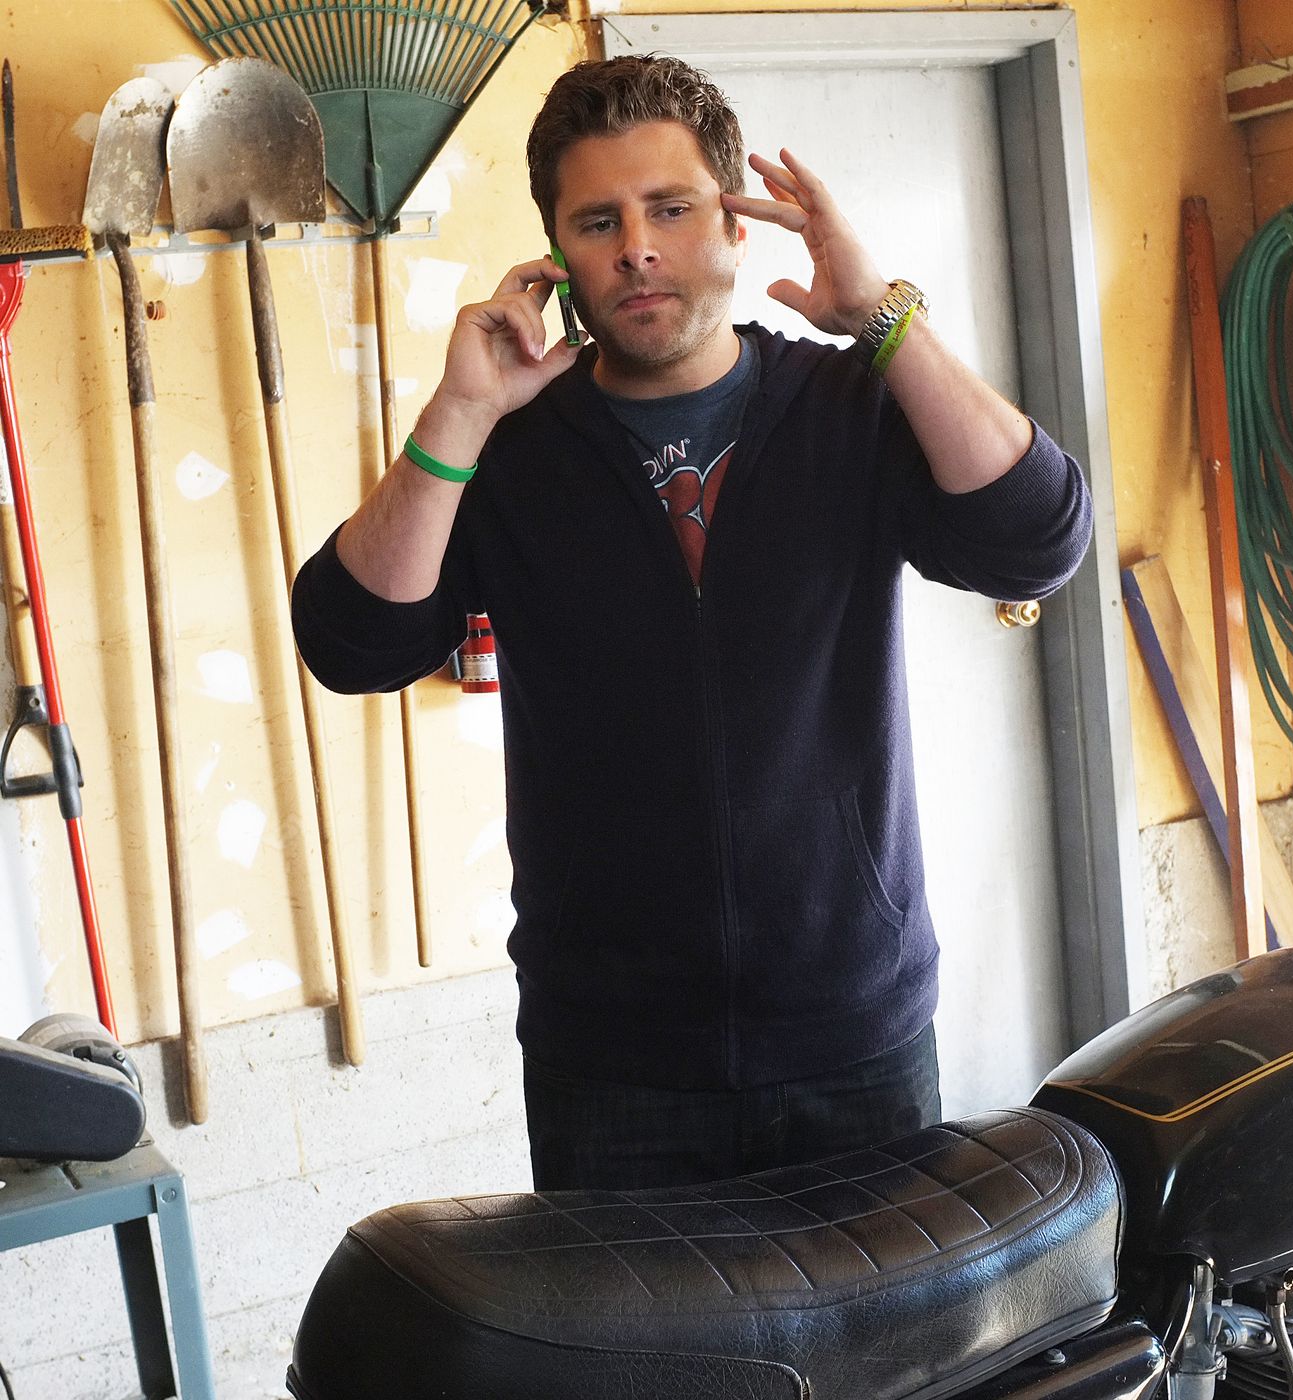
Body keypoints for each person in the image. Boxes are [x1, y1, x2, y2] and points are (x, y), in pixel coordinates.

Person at [292, 54, 1092, 1191]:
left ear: (734, 224)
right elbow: (351, 645)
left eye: (670, 208)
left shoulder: (848, 406)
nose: (636, 248)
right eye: (598, 221)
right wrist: (458, 414)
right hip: (612, 1064)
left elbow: (1038, 537)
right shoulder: (510, 453)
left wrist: (885, 320)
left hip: (853, 1035)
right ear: (556, 255)